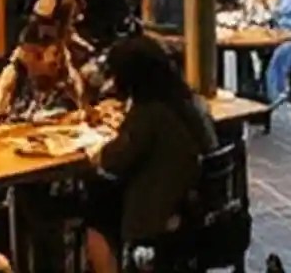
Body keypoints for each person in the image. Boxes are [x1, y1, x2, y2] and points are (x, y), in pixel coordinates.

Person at [84, 36, 219, 273]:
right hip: (195, 210)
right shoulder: (190, 103)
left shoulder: (149, 113)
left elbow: (114, 162)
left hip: (156, 218)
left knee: (94, 211)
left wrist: (96, 151)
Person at [0, 11, 90, 135]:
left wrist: (84, 109)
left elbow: (83, 104)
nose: (57, 65)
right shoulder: (15, 69)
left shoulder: (61, 62)